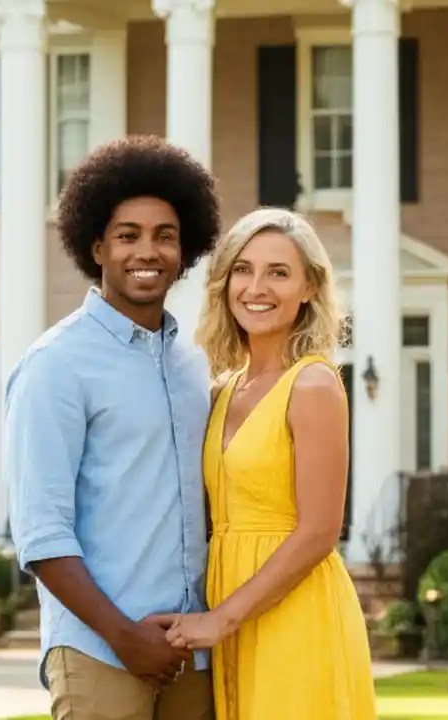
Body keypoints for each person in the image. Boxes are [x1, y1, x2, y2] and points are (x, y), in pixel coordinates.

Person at [6, 135, 222, 719]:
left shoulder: (193, 363)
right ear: (97, 246)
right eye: (128, 235)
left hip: (193, 652)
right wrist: (125, 637)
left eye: (165, 236)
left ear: (186, 250)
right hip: (101, 650)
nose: (146, 251)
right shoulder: (56, 364)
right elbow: (41, 533)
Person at [159, 208, 377, 719]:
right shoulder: (225, 388)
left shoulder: (314, 385)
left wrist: (222, 620)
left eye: (279, 272)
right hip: (233, 604)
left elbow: (319, 532)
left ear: (308, 289)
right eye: (243, 268)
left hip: (294, 610)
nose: (256, 286)